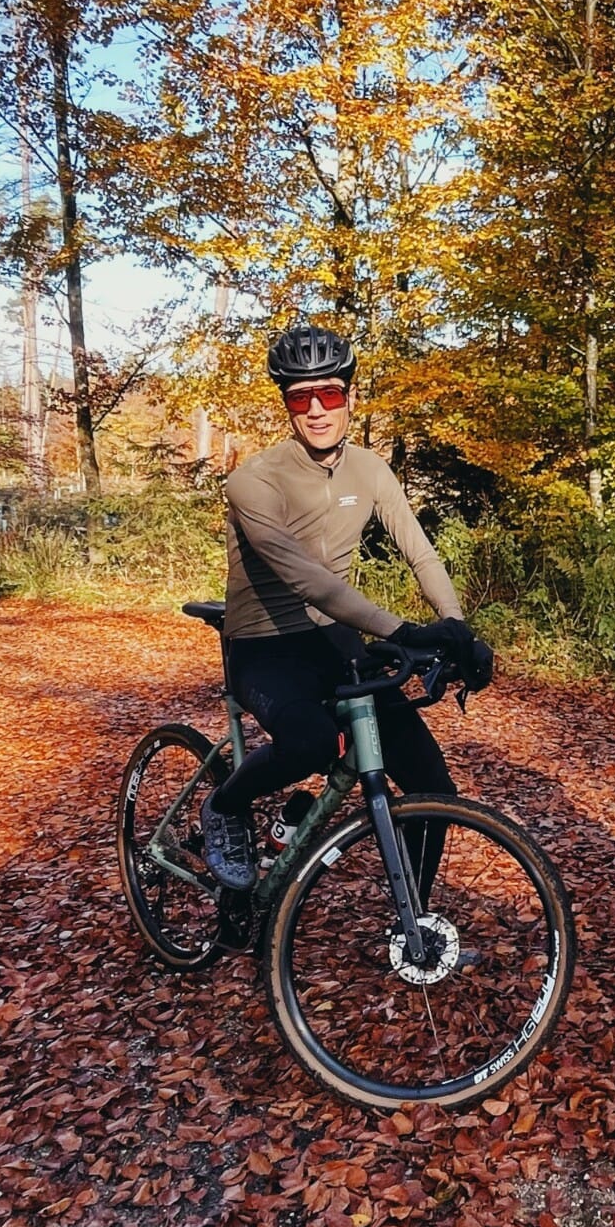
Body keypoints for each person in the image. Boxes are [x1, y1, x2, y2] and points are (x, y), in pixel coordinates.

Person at [198, 321, 482, 890]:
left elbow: (420, 555)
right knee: (308, 743)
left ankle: (414, 931)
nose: (317, 409)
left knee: (431, 785)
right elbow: (306, 579)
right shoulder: (254, 480)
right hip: (264, 645)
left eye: (329, 393)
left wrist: (456, 628)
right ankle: (224, 807)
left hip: (336, 642)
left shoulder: (371, 470)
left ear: (350, 397)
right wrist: (402, 630)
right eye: (301, 397)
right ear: (286, 405)